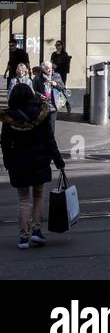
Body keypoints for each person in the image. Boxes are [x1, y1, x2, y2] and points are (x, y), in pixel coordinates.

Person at [1, 80, 65, 249]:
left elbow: (5, 144)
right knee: (38, 196)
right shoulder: (41, 112)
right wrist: (59, 161)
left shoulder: (9, 118)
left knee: (23, 200)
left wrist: (7, 163)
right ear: (30, 95)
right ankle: (36, 231)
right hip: (40, 161)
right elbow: (49, 140)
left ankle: (23, 237)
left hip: (18, 163)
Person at [32, 63, 67, 131]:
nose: (49, 70)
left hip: (54, 103)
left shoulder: (56, 76)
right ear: (43, 69)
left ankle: (51, 139)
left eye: (50, 68)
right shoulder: (38, 78)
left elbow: (62, 87)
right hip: (42, 104)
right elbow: (34, 90)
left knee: (51, 124)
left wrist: (56, 84)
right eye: (47, 68)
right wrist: (40, 95)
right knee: (42, 124)